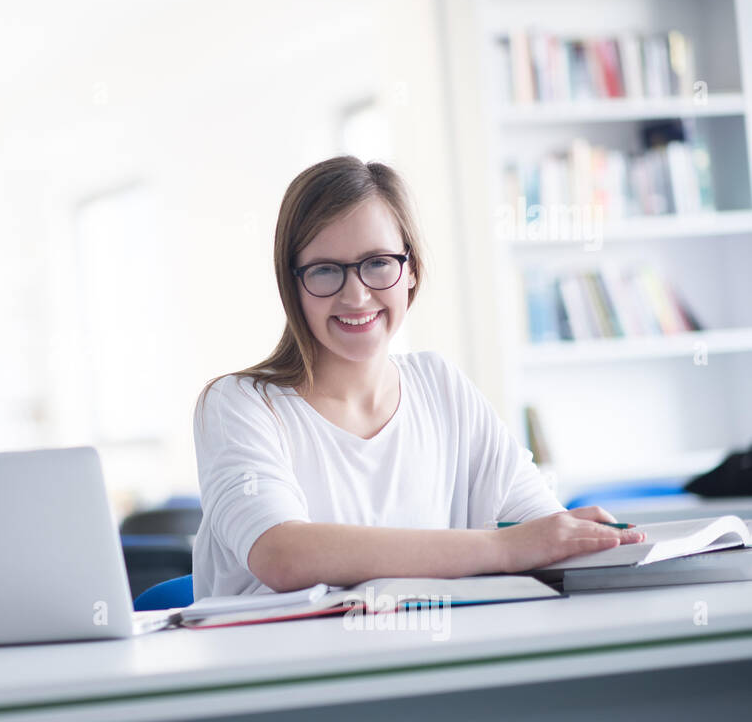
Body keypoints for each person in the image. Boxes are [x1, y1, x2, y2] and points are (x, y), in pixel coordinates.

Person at [191, 156, 644, 599]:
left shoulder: (439, 384)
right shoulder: (239, 404)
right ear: (293, 286)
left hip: (427, 662)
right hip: (283, 668)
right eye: (325, 270)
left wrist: (582, 540)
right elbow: (281, 554)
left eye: (378, 262)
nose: (356, 294)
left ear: (411, 270)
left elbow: (535, 525)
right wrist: (502, 548)